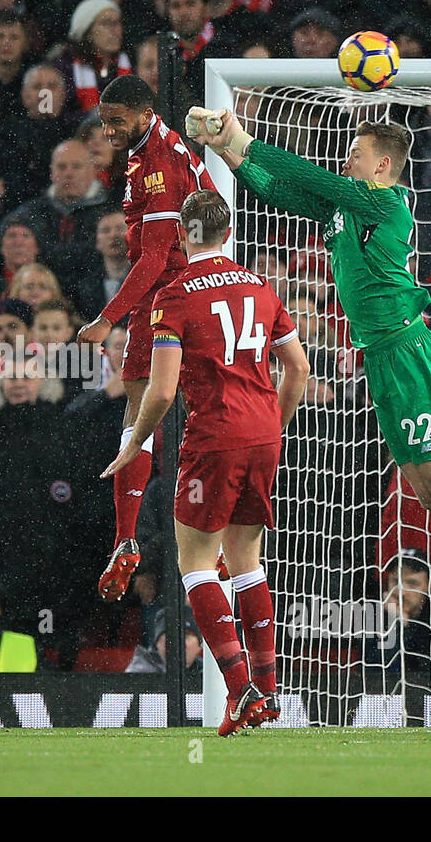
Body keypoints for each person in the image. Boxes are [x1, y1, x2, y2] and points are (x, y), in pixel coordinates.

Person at [188, 104, 431, 652]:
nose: (346, 160)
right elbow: (282, 191)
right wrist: (230, 153)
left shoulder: (386, 202)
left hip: (408, 357)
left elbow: (311, 176)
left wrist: (242, 135)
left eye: (355, 153)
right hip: (383, 361)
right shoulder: (345, 210)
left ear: (382, 166)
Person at [102, 190, 309, 734]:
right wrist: (272, 423)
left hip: (214, 435)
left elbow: (163, 390)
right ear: (228, 232)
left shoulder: (173, 296)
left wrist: (134, 442)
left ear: (185, 233)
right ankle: (267, 692)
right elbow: (298, 367)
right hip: (263, 433)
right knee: (246, 561)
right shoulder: (262, 287)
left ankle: (240, 691)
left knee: (195, 561)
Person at [76, 75, 213, 600]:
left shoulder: (155, 161)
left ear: (144, 110)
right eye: (104, 120)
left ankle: (126, 537)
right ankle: (215, 543)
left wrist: (108, 316)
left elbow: (154, 255)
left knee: (139, 417)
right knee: (205, 415)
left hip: (163, 296)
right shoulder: (163, 145)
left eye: (117, 120)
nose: (109, 130)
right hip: (204, 286)